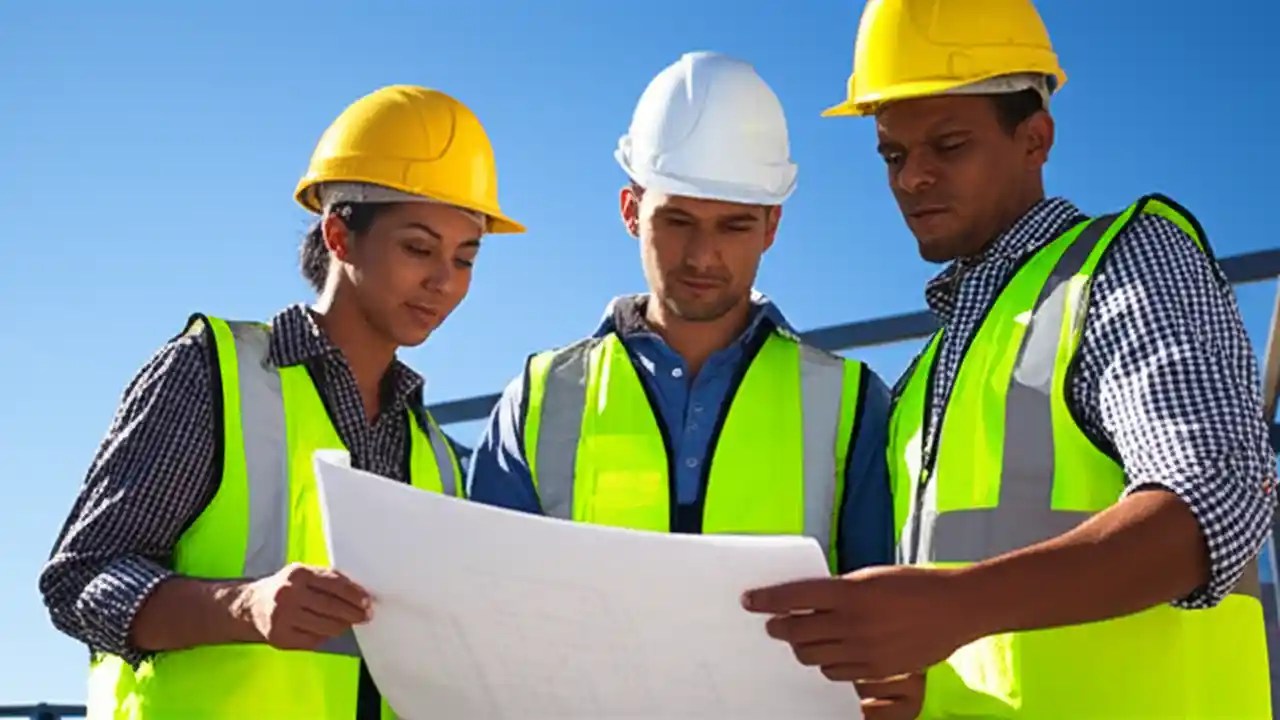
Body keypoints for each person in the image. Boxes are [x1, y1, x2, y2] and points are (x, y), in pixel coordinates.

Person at [742, 1, 1277, 718]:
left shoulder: (1127, 262)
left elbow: (1214, 497)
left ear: (1035, 138)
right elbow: (977, 639)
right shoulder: (925, 379)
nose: (912, 179)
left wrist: (956, 605)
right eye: (894, 155)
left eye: (949, 145)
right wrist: (928, 689)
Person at [39, 84, 525, 719]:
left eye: (465, 259)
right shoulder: (212, 374)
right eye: (418, 248)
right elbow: (79, 579)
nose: (444, 281)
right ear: (340, 236)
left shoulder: (434, 451)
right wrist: (244, 606)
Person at [465, 50, 905, 713]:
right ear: (631, 211)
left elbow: (880, 623)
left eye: (733, 225)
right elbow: (482, 618)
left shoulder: (851, 403)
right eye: (678, 221)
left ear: (772, 226)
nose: (704, 256)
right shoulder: (539, 398)